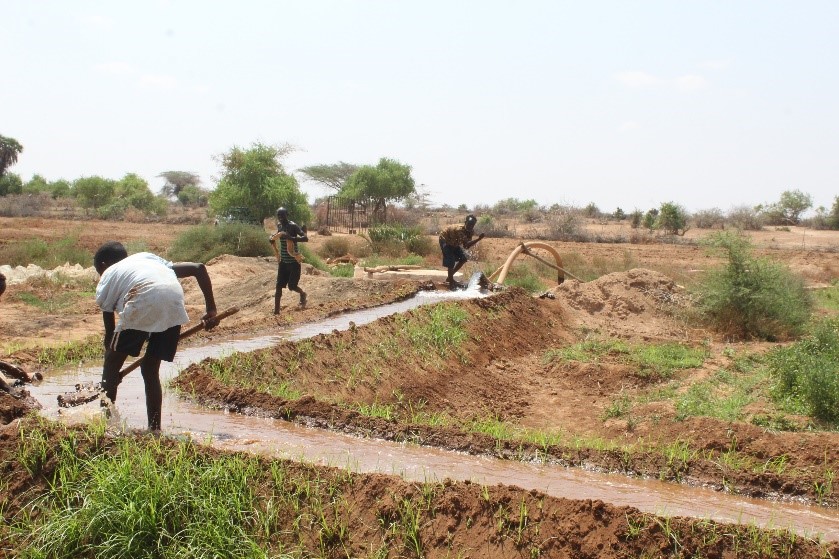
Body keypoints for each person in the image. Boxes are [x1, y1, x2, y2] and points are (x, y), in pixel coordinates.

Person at [93, 241, 219, 431]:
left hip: (141, 299)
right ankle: (155, 430)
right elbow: (198, 268)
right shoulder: (148, 258)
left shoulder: (109, 275)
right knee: (150, 369)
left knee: (111, 362)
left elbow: (110, 335)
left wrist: (110, 375)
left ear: (103, 266)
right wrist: (211, 309)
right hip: (174, 305)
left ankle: (107, 428)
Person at [270, 207, 308, 315]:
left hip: (294, 261)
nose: (281, 218)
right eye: (279, 216)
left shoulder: (293, 226)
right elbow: (276, 237)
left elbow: (305, 238)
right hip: (283, 262)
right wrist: (271, 239)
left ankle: (302, 294)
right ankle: (276, 312)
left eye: (283, 215)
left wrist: (291, 238)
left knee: (292, 286)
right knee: (278, 286)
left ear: (287, 214)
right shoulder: (280, 226)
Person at [439, 214, 485, 289]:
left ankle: (449, 278)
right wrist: (478, 239)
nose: (470, 226)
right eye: (469, 224)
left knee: (463, 259)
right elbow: (466, 245)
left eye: (472, 225)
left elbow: (467, 245)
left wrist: (477, 239)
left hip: (454, 242)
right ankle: (451, 282)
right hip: (445, 240)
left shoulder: (470, 231)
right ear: (465, 222)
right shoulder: (459, 230)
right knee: (451, 261)